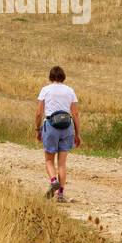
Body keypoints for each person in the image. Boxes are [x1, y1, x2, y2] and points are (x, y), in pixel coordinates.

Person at [35, 66, 80, 202]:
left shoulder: (45, 90)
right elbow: (75, 113)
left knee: (49, 160)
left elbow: (38, 113)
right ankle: (60, 194)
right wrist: (77, 133)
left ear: (50, 77)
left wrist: (38, 130)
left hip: (51, 126)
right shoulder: (70, 91)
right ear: (63, 76)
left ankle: (53, 180)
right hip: (67, 127)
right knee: (62, 164)